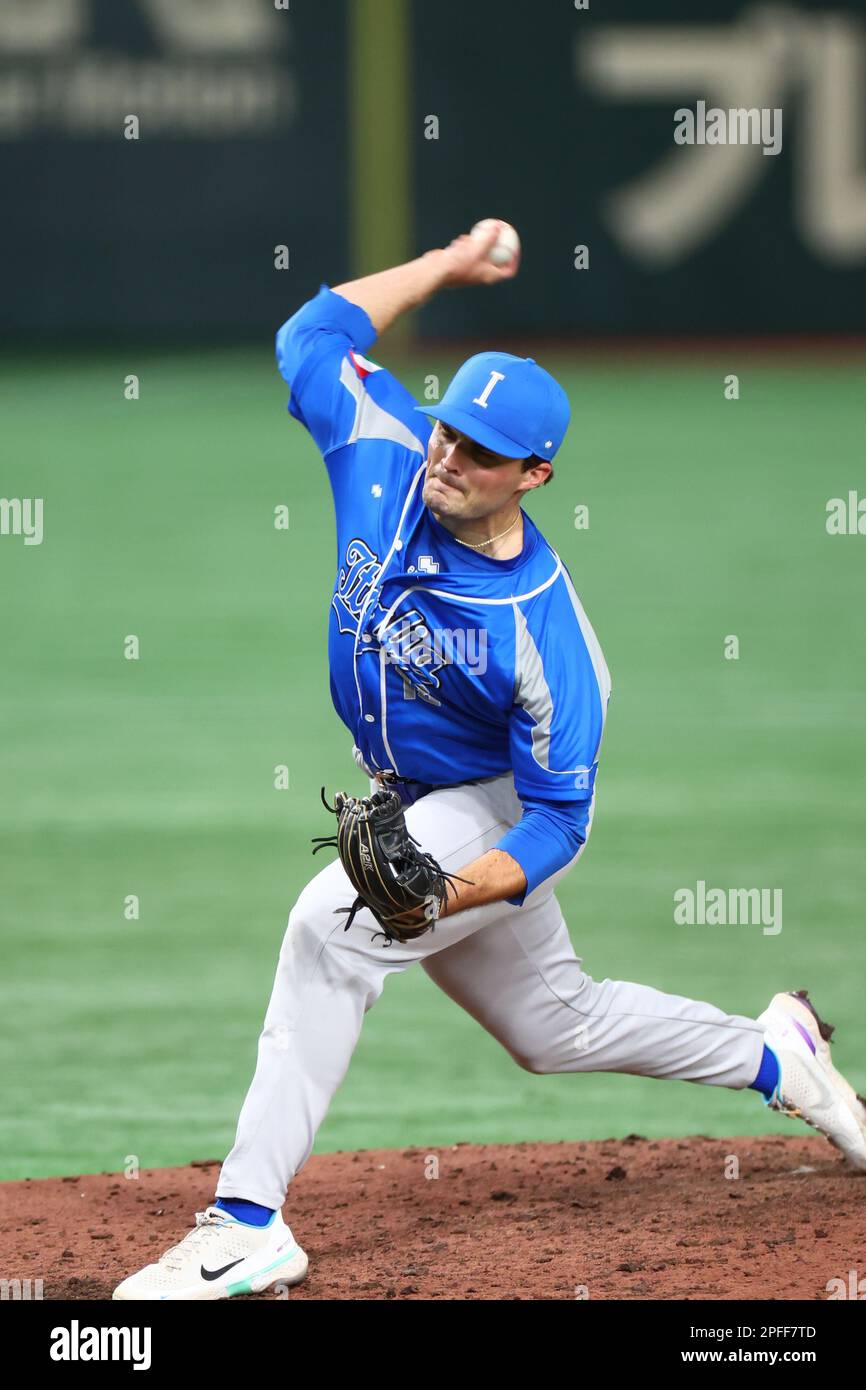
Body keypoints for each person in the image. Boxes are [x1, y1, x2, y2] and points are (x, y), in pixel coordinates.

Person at [113, 224, 866, 1301]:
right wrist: (444, 268)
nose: (447, 459)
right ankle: (776, 1057)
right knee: (554, 1025)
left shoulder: (545, 639)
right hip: (409, 796)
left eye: (477, 452)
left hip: (492, 809)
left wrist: (442, 893)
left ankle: (246, 1222)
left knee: (329, 928)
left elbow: (557, 826)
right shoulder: (383, 443)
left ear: (535, 474)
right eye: (448, 430)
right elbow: (311, 330)